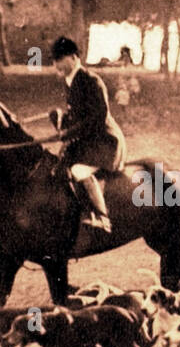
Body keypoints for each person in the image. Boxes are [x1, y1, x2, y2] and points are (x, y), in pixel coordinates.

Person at [48, 36, 126, 232]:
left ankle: (101, 217)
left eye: (60, 59)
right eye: (54, 60)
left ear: (74, 58)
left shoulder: (91, 80)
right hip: (88, 143)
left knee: (78, 172)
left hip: (106, 142)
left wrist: (68, 131)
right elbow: (77, 118)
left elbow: (97, 117)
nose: (56, 64)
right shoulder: (70, 81)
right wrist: (60, 120)